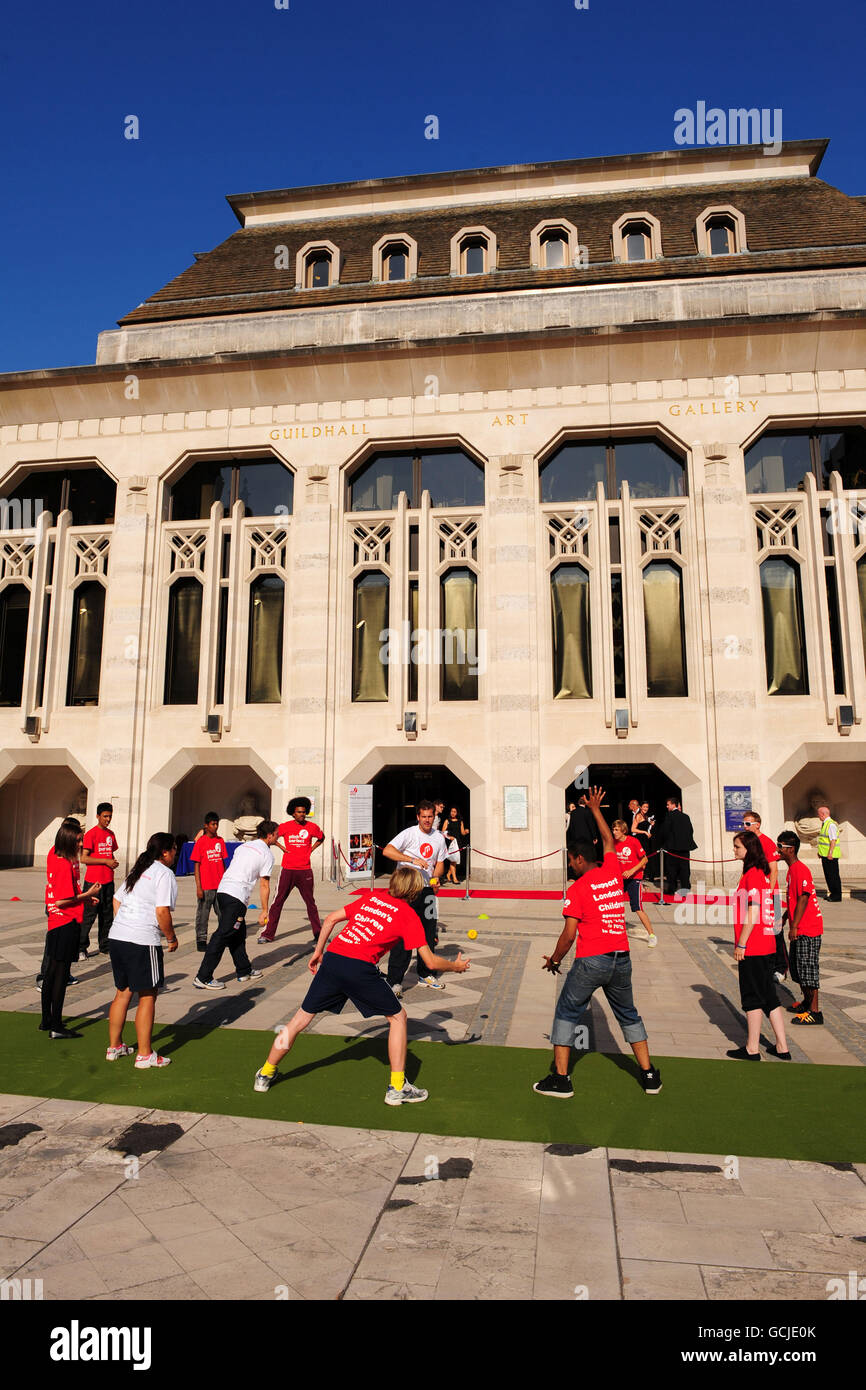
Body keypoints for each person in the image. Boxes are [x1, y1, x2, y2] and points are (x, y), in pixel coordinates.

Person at [253, 867, 470, 1103]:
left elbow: (332, 918)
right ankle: (398, 1088)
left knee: (300, 1019)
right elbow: (429, 961)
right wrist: (455, 967)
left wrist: (318, 952)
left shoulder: (372, 897)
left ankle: (265, 1073)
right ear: (415, 891)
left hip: (334, 959)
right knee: (398, 1017)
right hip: (358, 967)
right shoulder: (409, 916)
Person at [533, 786, 662, 1098]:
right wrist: (595, 809)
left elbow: (568, 936)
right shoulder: (612, 872)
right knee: (629, 1013)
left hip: (592, 959)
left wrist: (554, 960)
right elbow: (608, 839)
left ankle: (561, 1079)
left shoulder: (577, 889)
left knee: (565, 1011)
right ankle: (648, 1075)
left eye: (571, 860)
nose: (569, 865)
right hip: (622, 957)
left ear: (579, 858)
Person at [107, 832, 179, 1068]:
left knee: (123, 992)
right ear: (165, 852)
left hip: (118, 937)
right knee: (148, 995)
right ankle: (145, 1054)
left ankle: (115, 1046)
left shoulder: (138, 870)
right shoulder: (164, 873)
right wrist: (171, 937)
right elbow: (162, 912)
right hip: (141, 940)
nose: (176, 853)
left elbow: (116, 900)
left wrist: (125, 923)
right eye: (174, 849)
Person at [726, 829, 790, 1061]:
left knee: (752, 996)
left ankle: (752, 1047)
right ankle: (782, 1045)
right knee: (768, 995)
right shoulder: (761, 873)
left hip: (754, 945)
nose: (734, 850)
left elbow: (753, 911)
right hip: (766, 943)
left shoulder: (753, 874)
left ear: (749, 850)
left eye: (737, 847)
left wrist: (741, 944)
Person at [195, 821, 279, 990]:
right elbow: (264, 885)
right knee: (223, 934)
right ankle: (203, 977)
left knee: (238, 934)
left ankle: (244, 970)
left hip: (223, 891)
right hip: (236, 896)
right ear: (269, 836)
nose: (278, 837)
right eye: (276, 834)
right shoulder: (268, 856)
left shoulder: (244, 846)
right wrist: (264, 910)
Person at [40, 824, 101, 1039]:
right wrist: (87, 894)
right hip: (65, 923)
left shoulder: (53, 856)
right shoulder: (64, 864)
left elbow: (61, 892)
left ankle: (47, 1020)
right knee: (60, 975)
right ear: (67, 841)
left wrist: (84, 895)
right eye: (78, 840)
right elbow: (62, 900)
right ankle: (56, 1024)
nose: (82, 844)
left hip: (56, 922)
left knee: (51, 972)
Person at [382, 801, 448, 996]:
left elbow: (440, 863)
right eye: (424, 816)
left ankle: (426, 974)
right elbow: (387, 851)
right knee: (402, 937)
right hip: (407, 891)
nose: (427, 820)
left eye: (431, 817)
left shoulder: (439, 837)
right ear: (418, 817)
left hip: (427, 892)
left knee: (428, 934)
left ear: (434, 817)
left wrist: (436, 878)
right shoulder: (409, 833)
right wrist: (411, 860)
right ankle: (394, 981)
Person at [257, 797, 325, 944]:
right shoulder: (285, 827)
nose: (302, 814)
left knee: (310, 903)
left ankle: (318, 933)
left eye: (304, 812)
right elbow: (272, 838)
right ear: (293, 813)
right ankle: (268, 934)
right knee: (277, 902)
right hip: (287, 870)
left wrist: (311, 850)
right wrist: (282, 848)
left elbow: (322, 837)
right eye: (299, 812)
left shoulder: (312, 827)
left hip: (305, 871)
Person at [777, 830, 824, 1026]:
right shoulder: (791, 870)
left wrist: (794, 926)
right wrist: (786, 917)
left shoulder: (800, 869)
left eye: (780, 846)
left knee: (808, 970)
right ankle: (806, 1003)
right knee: (797, 969)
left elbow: (804, 898)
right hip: (799, 926)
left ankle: (815, 1012)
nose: (777, 850)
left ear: (791, 849)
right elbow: (794, 900)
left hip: (808, 928)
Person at [742, 811, 786, 983]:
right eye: (744, 823)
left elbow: (774, 869)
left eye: (748, 824)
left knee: (775, 930)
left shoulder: (765, 842)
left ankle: (781, 967)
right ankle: (767, 961)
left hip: (769, 893)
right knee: (761, 928)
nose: (744, 827)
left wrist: (770, 891)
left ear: (757, 824)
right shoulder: (749, 843)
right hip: (756, 891)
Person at [79, 802, 119, 958]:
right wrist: (104, 861)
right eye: (105, 816)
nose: (108, 819)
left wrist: (112, 862)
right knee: (88, 916)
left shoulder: (111, 834)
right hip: (93, 882)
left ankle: (105, 945)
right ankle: (81, 947)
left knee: (107, 914)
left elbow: (110, 853)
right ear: (98, 816)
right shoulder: (91, 834)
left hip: (108, 880)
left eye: (110, 816)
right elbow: (84, 858)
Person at [612, 819, 657, 947]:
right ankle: (614, 931)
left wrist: (631, 871)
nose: (614, 832)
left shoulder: (633, 841)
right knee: (614, 905)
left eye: (616, 830)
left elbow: (645, 860)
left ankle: (652, 935)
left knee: (637, 907)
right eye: (613, 829)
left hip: (634, 878)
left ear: (624, 831)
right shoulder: (613, 843)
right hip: (620, 879)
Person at [190, 811, 227, 952]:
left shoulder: (220, 841)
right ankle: (201, 939)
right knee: (203, 915)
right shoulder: (201, 842)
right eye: (213, 824)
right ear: (206, 826)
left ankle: (224, 936)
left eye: (217, 824)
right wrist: (199, 887)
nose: (215, 826)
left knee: (223, 913)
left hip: (220, 885)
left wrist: (225, 882)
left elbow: (222, 862)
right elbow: (196, 865)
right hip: (206, 886)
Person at [660, 797, 695, 897]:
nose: (667, 807)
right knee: (685, 869)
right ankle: (685, 889)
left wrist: (666, 843)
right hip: (685, 847)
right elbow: (690, 830)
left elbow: (665, 831)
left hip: (673, 847)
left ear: (673, 805)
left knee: (672, 869)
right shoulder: (685, 816)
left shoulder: (669, 816)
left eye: (668, 804)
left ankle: (672, 889)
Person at [816, 804, 842, 902]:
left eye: (819, 814)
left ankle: (836, 895)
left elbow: (833, 840)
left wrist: (830, 853)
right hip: (825, 855)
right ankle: (832, 894)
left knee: (833, 875)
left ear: (822, 814)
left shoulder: (830, 824)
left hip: (831, 856)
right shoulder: (825, 824)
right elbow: (824, 840)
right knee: (828, 875)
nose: (818, 816)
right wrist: (820, 852)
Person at [442, 805, 469, 882]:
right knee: (453, 860)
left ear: (457, 813)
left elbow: (462, 832)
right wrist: (449, 837)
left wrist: (466, 832)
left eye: (454, 812)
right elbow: (443, 832)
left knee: (455, 860)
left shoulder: (460, 821)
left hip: (458, 842)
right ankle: (455, 878)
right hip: (450, 843)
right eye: (452, 811)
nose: (453, 813)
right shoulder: (447, 821)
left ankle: (448, 874)